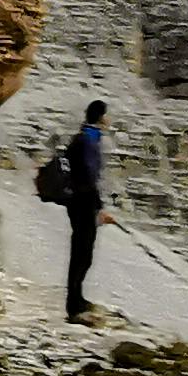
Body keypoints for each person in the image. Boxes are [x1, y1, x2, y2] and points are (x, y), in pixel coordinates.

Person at [53, 98, 107, 322]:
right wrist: (98, 206)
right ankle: (74, 304)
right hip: (83, 203)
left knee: (82, 253)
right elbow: (88, 177)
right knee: (82, 253)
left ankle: (77, 298)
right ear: (101, 117)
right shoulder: (87, 141)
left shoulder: (84, 139)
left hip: (79, 202)